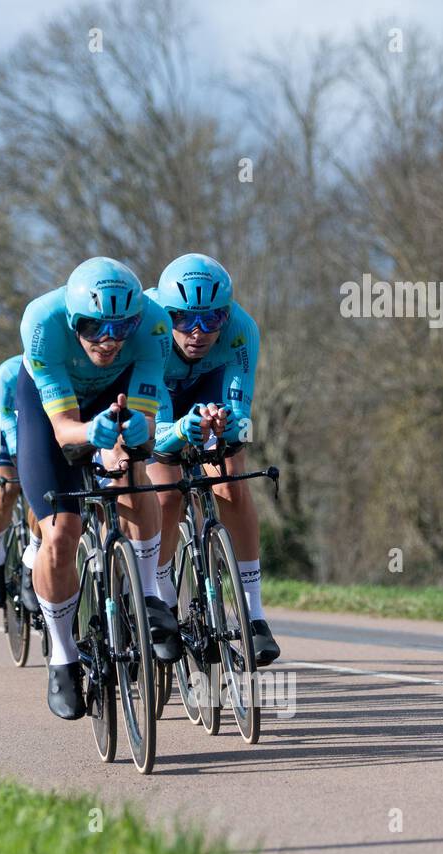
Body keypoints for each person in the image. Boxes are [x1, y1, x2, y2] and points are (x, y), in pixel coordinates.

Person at [16, 257, 181, 720]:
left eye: (120, 327)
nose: (108, 341)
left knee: (132, 470)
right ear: (73, 321)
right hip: (55, 411)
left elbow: (146, 421)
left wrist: (124, 438)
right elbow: (66, 429)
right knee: (62, 533)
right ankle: (63, 657)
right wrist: (94, 435)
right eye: (93, 328)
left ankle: (148, 594)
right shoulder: (43, 324)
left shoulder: (153, 326)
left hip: (118, 394)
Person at [145, 252, 281, 666]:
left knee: (230, 482)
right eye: (184, 319)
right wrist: (184, 430)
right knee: (166, 495)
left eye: (211, 319)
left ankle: (253, 614)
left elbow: (242, 417)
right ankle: (163, 594)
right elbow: (160, 433)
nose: (198, 332)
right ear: (167, 314)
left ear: (226, 315)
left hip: (209, 391)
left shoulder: (241, 331)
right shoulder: (148, 329)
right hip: (160, 401)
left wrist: (225, 424)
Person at [0, 354, 40, 613]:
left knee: (48, 493)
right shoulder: (7, 375)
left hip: (37, 425)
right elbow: (11, 434)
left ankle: (33, 557)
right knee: (6, 490)